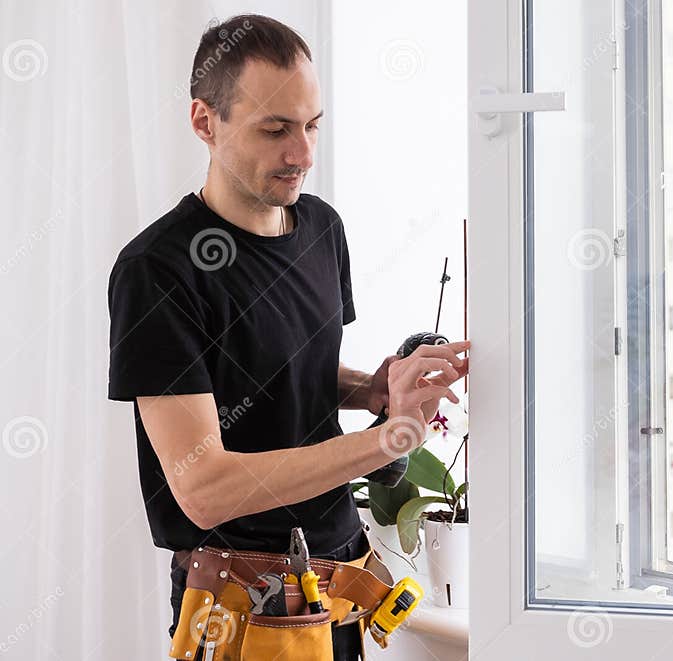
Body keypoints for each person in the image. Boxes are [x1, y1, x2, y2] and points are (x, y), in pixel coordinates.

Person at [106, 14, 469, 660]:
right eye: (275, 129)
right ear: (204, 123)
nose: (302, 153)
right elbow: (204, 485)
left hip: (337, 588)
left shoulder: (322, 229)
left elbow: (278, 367)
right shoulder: (157, 271)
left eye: (311, 126)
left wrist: (374, 388)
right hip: (241, 611)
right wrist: (385, 440)